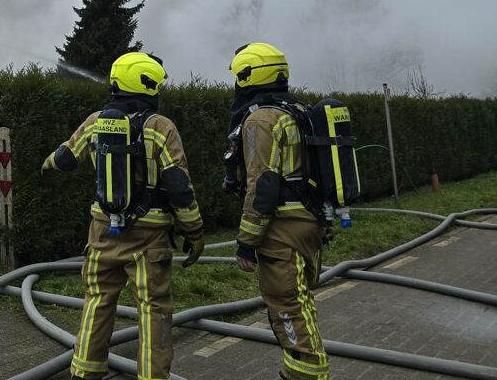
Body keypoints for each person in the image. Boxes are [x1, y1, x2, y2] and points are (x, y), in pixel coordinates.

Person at [42, 52, 205, 380]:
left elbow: (64, 158)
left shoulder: (96, 120)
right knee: (154, 310)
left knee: (97, 302)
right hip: (149, 235)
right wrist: (194, 230)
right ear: (146, 84)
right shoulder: (160, 126)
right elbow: (178, 185)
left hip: (102, 231)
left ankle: (84, 373)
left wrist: (45, 164)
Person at [227, 42, 329, 380]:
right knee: (300, 304)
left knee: (288, 310)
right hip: (308, 223)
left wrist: (246, 242)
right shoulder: (297, 112)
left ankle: (307, 373)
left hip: (281, 230)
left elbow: (263, 184)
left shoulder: (260, 119)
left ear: (248, 75)